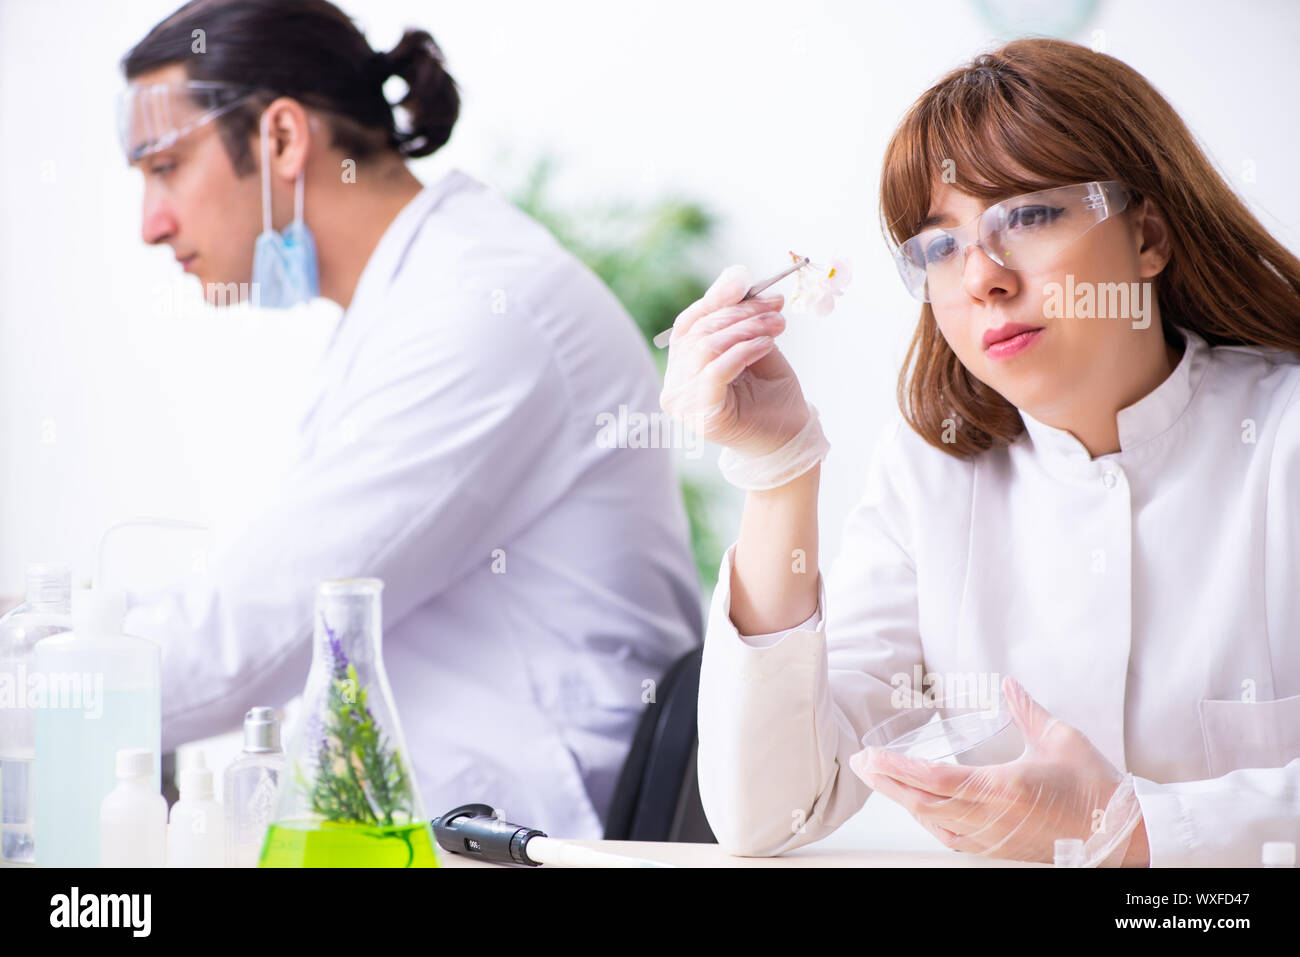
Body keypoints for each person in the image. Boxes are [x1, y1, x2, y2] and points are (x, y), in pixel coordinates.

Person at [662, 38, 1300, 866]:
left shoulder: (1282, 441)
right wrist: (779, 469)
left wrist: (1135, 832)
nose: (984, 277)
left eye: (1029, 216)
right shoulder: (934, 474)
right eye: (940, 246)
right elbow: (773, 813)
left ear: (1147, 235)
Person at [116, 0, 702, 839]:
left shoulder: (477, 308)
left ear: (282, 138)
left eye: (165, 166)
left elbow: (242, 647)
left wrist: (54, 683)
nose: (151, 224)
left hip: (526, 825)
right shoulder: (419, 296)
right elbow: (252, 598)